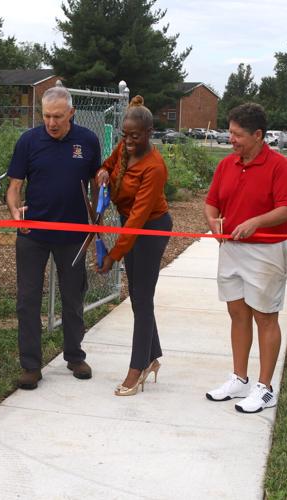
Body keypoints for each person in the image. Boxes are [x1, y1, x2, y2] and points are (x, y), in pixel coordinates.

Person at [203, 103, 287, 413]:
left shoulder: (280, 165)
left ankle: (265, 387)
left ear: (258, 135)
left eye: (237, 135)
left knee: (265, 316)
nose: (231, 140)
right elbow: (211, 203)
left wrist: (255, 222)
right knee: (237, 313)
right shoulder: (226, 165)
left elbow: (285, 208)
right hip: (230, 248)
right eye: (230, 133)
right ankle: (239, 378)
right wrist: (213, 223)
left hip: (267, 249)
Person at [6, 86, 102, 390]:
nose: (52, 122)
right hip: (33, 234)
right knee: (27, 300)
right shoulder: (29, 141)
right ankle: (31, 365)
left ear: (71, 113)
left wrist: (96, 216)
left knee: (73, 298)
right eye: (47, 116)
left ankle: (74, 356)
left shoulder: (87, 141)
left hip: (73, 235)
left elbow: (96, 182)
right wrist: (14, 213)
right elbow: (14, 187)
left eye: (58, 116)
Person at [95, 96, 172, 396]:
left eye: (135, 136)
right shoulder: (125, 147)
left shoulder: (154, 167)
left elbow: (138, 219)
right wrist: (103, 171)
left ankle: (136, 368)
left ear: (150, 132)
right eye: (125, 135)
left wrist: (113, 256)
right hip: (132, 225)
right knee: (139, 296)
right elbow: (110, 164)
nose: (127, 141)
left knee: (142, 299)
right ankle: (152, 356)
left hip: (150, 229)